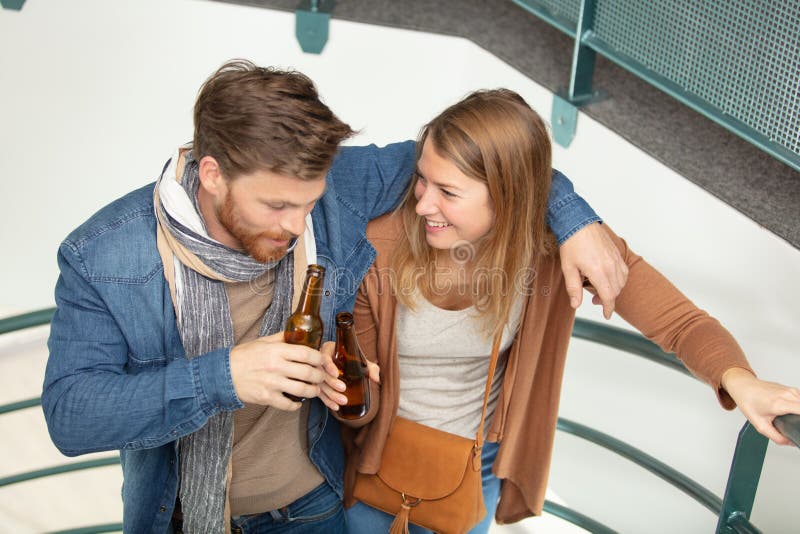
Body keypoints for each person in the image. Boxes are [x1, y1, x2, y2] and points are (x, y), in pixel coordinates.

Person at [41, 60, 627, 534]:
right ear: (213, 173)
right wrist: (223, 377)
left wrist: (576, 220)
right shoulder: (103, 256)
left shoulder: (339, 185)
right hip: (179, 516)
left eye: (309, 202)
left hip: (313, 506)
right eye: (276, 207)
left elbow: (497, 164)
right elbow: (71, 416)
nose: (300, 226)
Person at [337, 88, 800, 533]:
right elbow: (359, 386)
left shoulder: (560, 250)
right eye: (422, 178)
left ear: (507, 193)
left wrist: (742, 382)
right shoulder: (379, 242)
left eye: (448, 192)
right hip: (378, 455)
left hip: (478, 466)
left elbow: (682, 323)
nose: (423, 203)